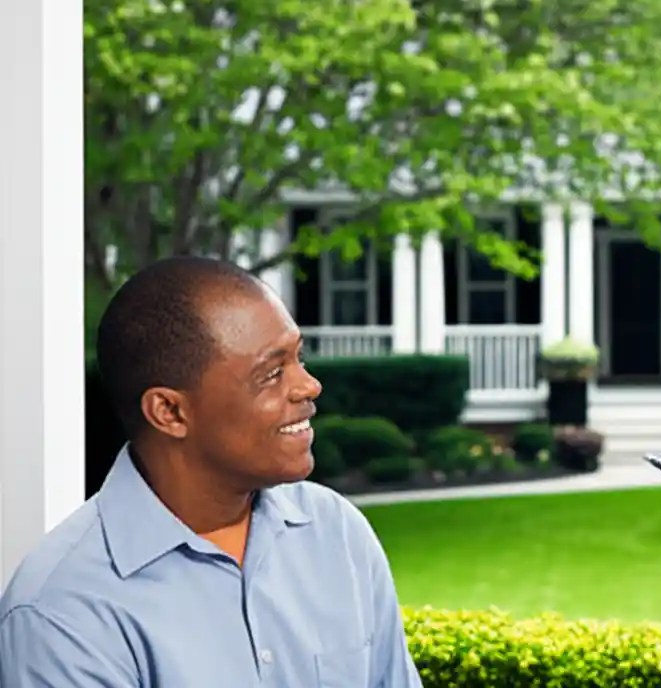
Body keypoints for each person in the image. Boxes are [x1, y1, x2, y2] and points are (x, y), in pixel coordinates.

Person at [0, 256, 420, 687]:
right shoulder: (62, 612)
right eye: (272, 373)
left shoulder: (336, 534)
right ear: (170, 412)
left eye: (299, 357)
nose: (309, 386)